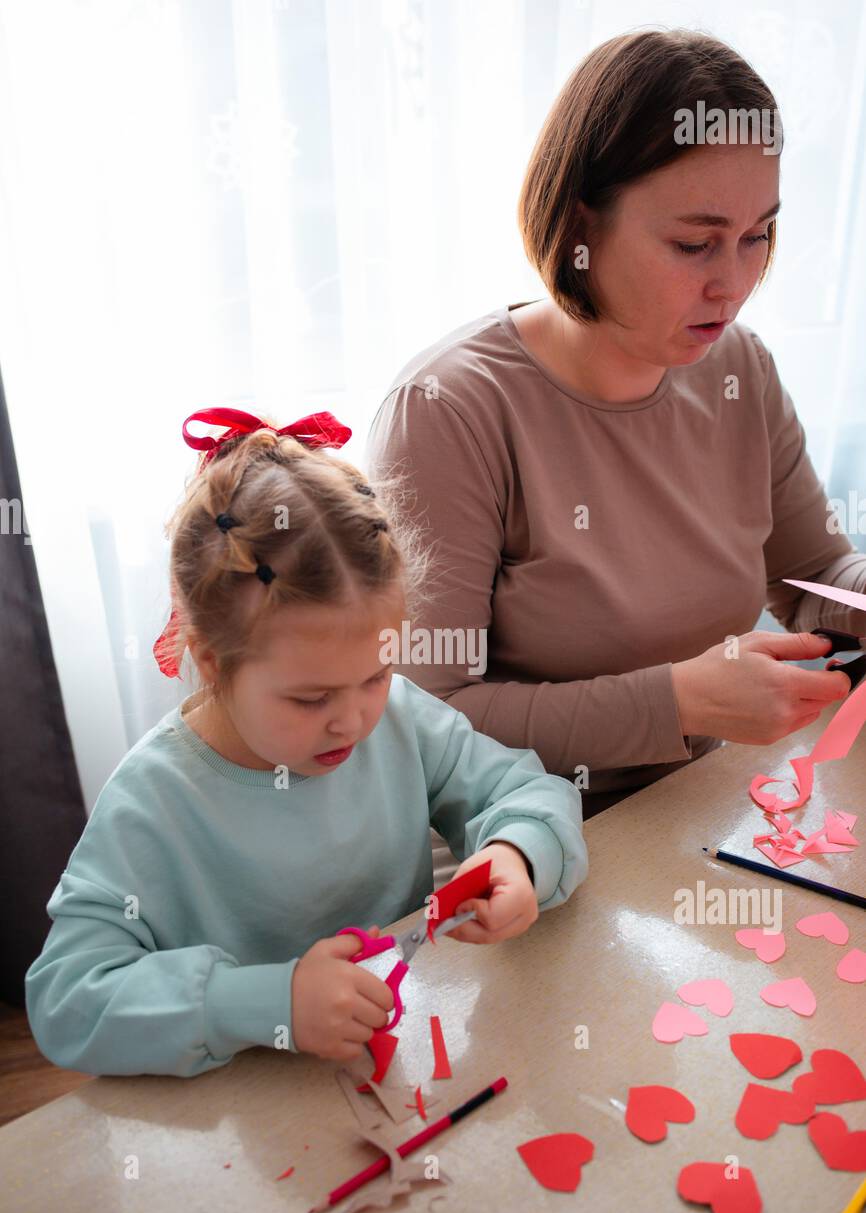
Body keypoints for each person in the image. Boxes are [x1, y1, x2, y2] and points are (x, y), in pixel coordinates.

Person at [365, 28, 865, 829]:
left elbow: (812, 574)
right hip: (520, 852)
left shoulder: (742, 369)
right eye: (694, 243)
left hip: (702, 813)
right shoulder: (448, 412)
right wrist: (676, 700)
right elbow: (427, 723)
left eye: (757, 236)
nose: (733, 282)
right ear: (579, 229)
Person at [24, 407, 587, 1078]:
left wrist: (518, 855)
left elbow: (532, 791)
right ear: (208, 659)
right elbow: (66, 1001)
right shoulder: (153, 801)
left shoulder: (400, 717)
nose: (352, 719)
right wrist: (261, 1001)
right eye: (311, 698)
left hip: (400, 1079)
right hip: (244, 1124)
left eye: (377, 674)